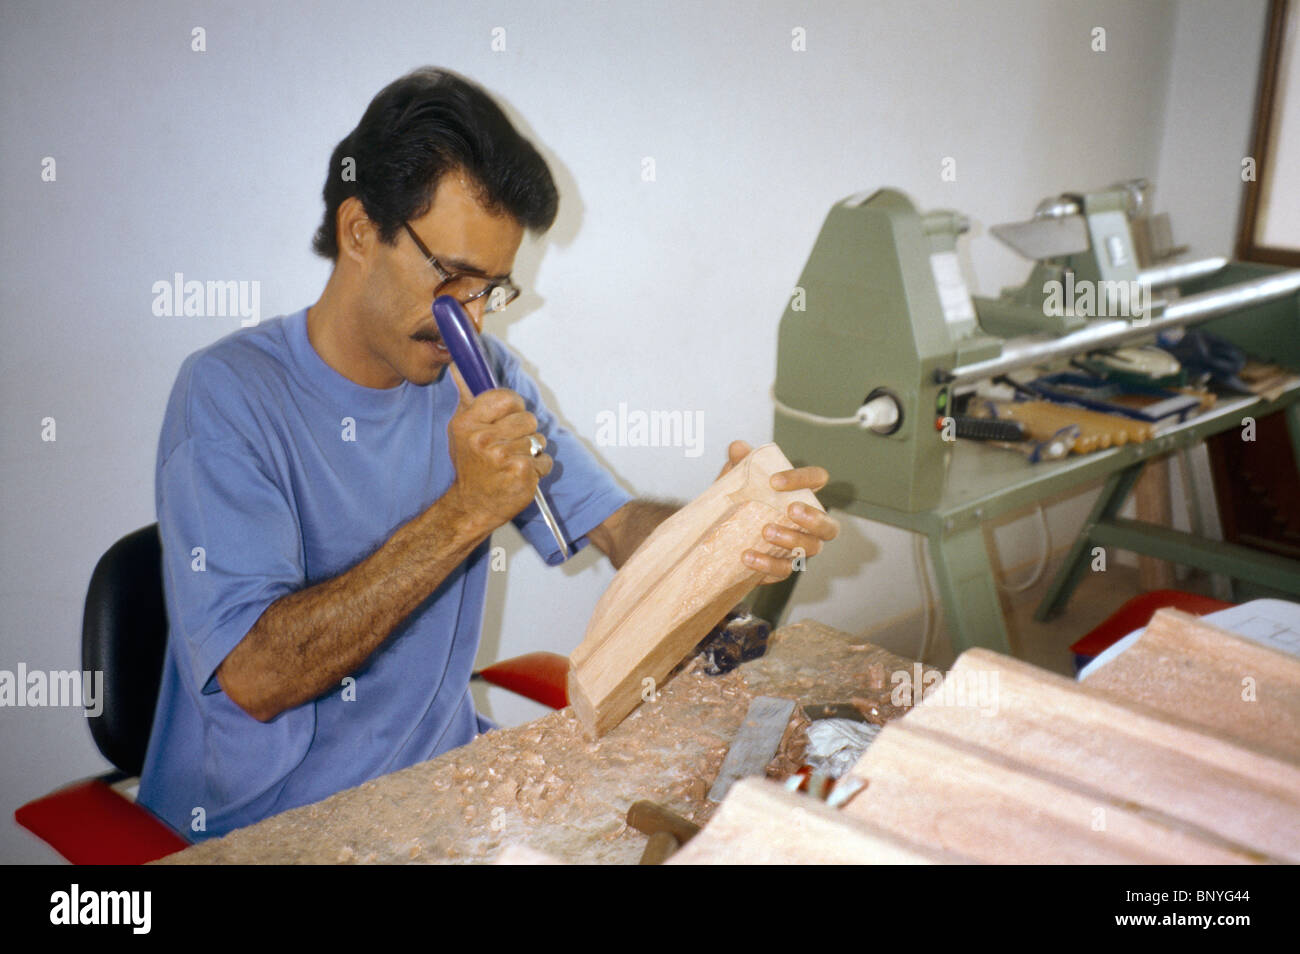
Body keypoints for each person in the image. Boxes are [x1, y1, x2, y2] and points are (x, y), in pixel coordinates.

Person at [137, 67, 838, 841]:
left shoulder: (482, 377)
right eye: (452, 279)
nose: (470, 318)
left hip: (436, 786)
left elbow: (612, 526)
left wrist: (725, 523)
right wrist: (467, 511)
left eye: (491, 290)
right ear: (360, 231)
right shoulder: (227, 395)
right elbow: (257, 679)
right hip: (267, 828)